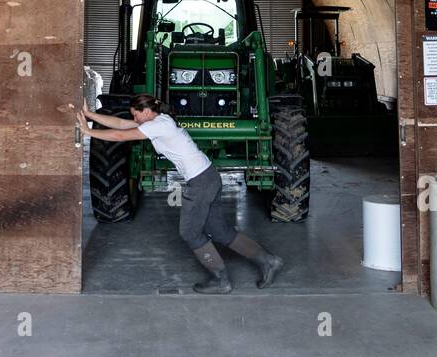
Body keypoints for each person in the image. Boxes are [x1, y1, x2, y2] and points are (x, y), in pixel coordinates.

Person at [74, 94, 283, 294]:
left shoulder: (158, 125)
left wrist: (88, 132)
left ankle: (221, 281)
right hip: (209, 177)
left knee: (190, 233)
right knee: (219, 231)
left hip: (200, 183)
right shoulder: (159, 120)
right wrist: (90, 115)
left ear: (146, 111)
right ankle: (269, 261)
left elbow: (120, 136)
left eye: (136, 114)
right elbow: (120, 125)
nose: (134, 118)